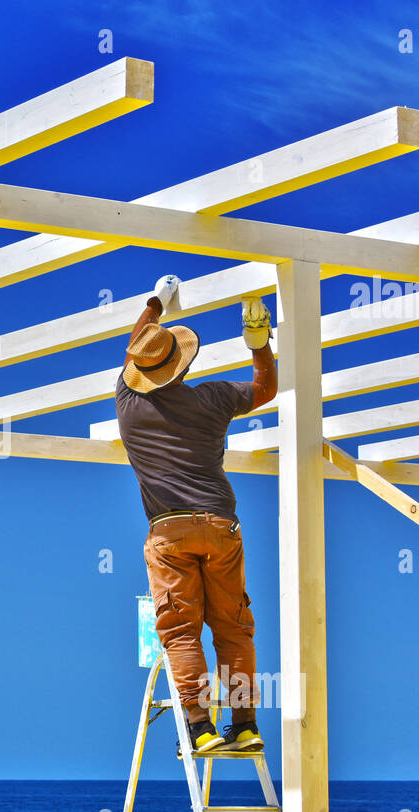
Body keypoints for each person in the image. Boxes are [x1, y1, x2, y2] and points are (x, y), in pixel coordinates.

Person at [115, 275, 277, 754]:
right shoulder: (213, 399)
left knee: (181, 632)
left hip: (168, 531)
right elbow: (265, 388)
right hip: (221, 525)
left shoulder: (128, 405)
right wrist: (258, 344)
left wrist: (157, 300)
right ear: (182, 365)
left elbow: (135, 346)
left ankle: (201, 727)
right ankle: (245, 724)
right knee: (233, 625)